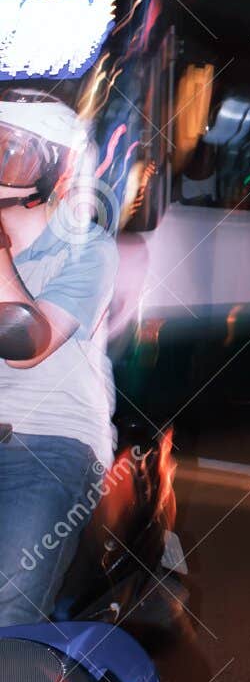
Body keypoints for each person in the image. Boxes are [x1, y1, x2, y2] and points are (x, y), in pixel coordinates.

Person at [0, 92, 118, 625]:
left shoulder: (86, 248)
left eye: (11, 151)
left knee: (7, 605)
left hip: (50, 443)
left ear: (54, 170)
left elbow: (26, 344)